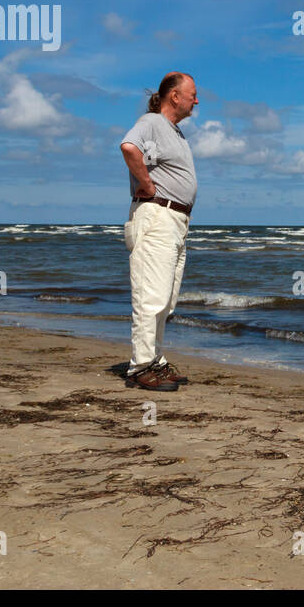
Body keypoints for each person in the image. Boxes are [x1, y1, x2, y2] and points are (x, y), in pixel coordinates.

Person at [119, 72, 199, 391]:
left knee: (165, 299)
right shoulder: (151, 122)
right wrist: (146, 183)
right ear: (174, 96)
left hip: (175, 221)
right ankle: (139, 367)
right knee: (151, 296)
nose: (197, 100)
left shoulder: (173, 132)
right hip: (157, 216)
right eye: (192, 94)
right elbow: (128, 148)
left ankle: (155, 360)